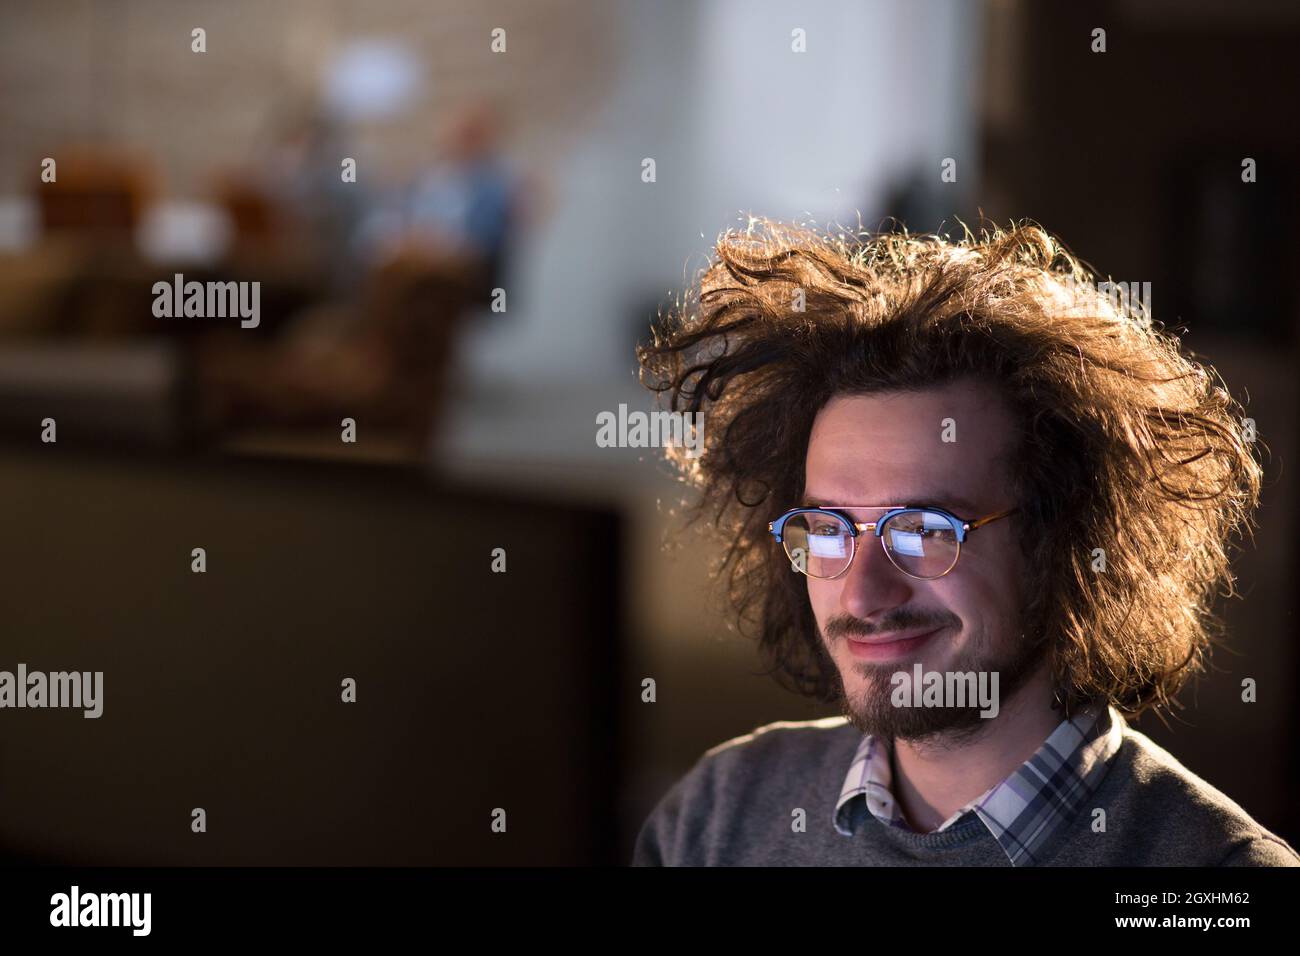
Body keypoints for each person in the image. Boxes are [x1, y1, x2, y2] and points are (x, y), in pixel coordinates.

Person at [631, 217, 1299, 866]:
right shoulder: (718, 816)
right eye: (829, 529)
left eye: (923, 529)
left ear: (1064, 536)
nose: (862, 592)